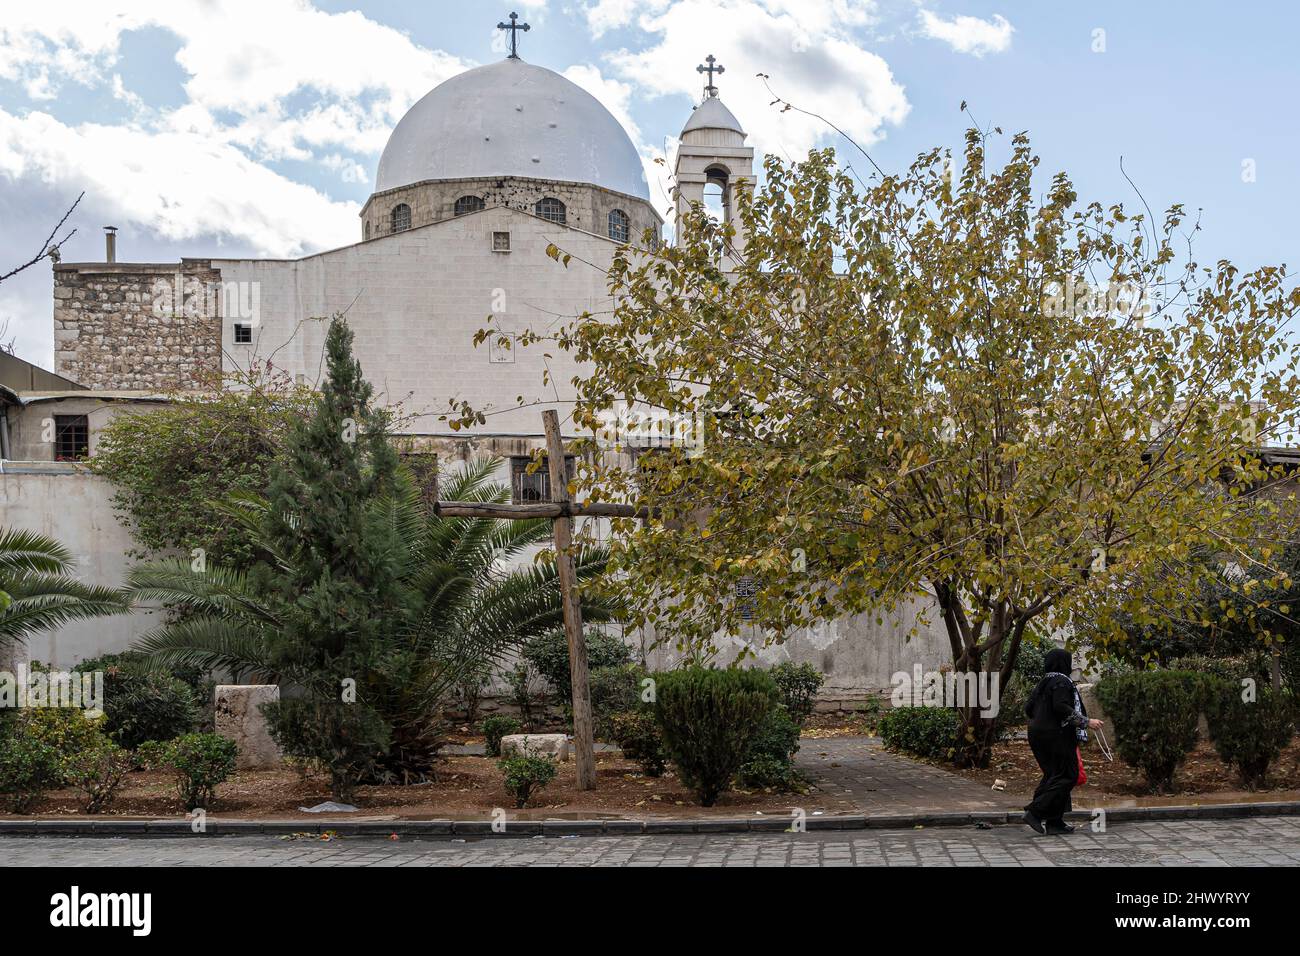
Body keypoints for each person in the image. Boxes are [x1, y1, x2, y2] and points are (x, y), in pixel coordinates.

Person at [1022, 648, 1102, 834]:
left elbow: (1028, 708)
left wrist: (1042, 721)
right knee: (1068, 775)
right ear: (1063, 663)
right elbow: (1060, 707)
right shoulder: (1062, 682)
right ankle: (1035, 812)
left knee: (1054, 775)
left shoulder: (1044, 682)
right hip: (1056, 736)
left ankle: (1054, 822)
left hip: (1037, 735)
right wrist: (1086, 722)